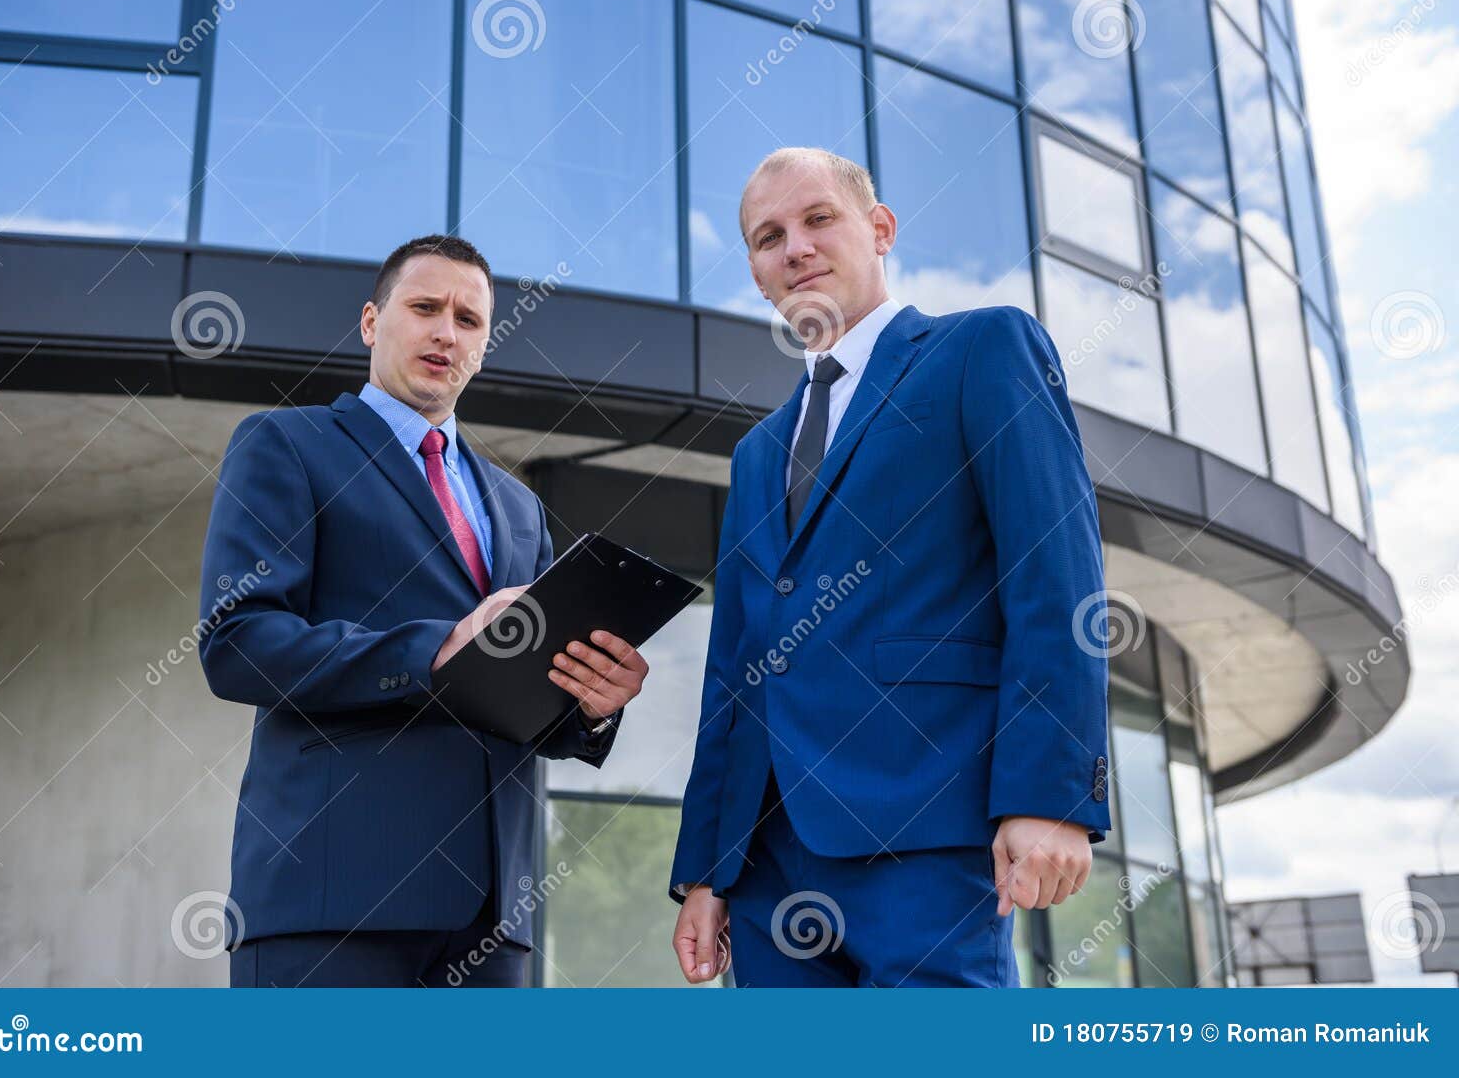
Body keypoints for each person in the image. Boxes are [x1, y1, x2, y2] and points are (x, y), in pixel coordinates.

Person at [669, 148, 1111, 987]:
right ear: (758, 275)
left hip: (929, 831)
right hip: (770, 864)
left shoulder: (982, 350)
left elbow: (1056, 577)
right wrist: (705, 870)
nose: (794, 247)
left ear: (880, 229)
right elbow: (735, 668)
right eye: (768, 238)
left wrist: (1051, 793)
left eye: (817, 219)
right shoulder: (757, 453)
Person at [199, 234, 649, 987]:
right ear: (373, 322)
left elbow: (524, 697)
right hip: (331, 893)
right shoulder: (288, 444)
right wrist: (438, 647)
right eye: (426, 307)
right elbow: (239, 642)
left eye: (469, 320)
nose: (447, 331)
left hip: (493, 918)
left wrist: (591, 705)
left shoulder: (521, 508)